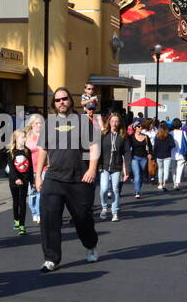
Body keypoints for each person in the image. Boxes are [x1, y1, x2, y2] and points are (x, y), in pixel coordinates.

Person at [36, 87, 100, 272]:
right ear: (54, 104)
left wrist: (92, 169)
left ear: (71, 100)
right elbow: (43, 150)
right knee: (49, 220)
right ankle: (51, 258)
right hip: (54, 178)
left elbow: (94, 145)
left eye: (64, 99)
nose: (61, 102)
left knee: (82, 219)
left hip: (79, 179)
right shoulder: (49, 123)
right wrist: (38, 176)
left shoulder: (83, 121)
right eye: (57, 100)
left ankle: (90, 245)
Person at [98, 112, 130, 222]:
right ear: (109, 122)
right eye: (112, 121)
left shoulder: (123, 136)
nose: (114, 123)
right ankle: (104, 207)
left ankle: (115, 212)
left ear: (120, 122)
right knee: (104, 189)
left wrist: (127, 171)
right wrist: (98, 165)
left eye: (117, 121)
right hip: (104, 167)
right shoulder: (103, 134)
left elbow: (126, 153)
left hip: (116, 167)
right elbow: (98, 151)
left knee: (115, 189)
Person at [6, 129, 34, 235]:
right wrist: (16, 178)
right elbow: (11, 168)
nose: (25, 139)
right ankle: (16, 220)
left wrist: (32, 181)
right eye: (22, 137)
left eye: (25, 137)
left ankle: (22, 225)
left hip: (24, 180)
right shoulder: (11, 152)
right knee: (16, 201)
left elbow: (30, 167)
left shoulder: (27, 151)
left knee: (22, 203)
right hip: (14, 181)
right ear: (16, 139)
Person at [24, 113, 44, 224]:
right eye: (37, 123)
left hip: (44, 168)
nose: (39, 125)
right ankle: (34, 212)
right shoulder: (26, 137)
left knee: (40, 191)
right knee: (32, 193)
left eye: (41, 123)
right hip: (30, 170)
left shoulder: (45, 136)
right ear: (31, 124)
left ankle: (39, 213)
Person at [129, 119, 152, 199]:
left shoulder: (146, 137)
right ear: (135, 127)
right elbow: (127, 148)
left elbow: (150, 147)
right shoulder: (131, 137)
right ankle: (137, 191)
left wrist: (150, 154)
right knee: (137, 175)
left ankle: (138, 187)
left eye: (141, 126)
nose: (140, 127)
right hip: (135, 158)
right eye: (138, 126)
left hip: (144, 158)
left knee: (141, 176)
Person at [152, 122, 175, 191]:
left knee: (160, 170)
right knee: (166, 170)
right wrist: (168, 147)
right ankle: (165, 183)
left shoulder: (157, 136)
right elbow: (173, 145)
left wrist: (154, 156)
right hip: (167, 155)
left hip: (159, 155)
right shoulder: (169, 136)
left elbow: (155, 147)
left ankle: (160, 184)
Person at [169, 117, 187, 188]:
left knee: (173, 168)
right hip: (181, 153)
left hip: (172, 153)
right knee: (180, 168)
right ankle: (177, 183)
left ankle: (175, 182)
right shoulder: (183, 132)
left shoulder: (170, 133)